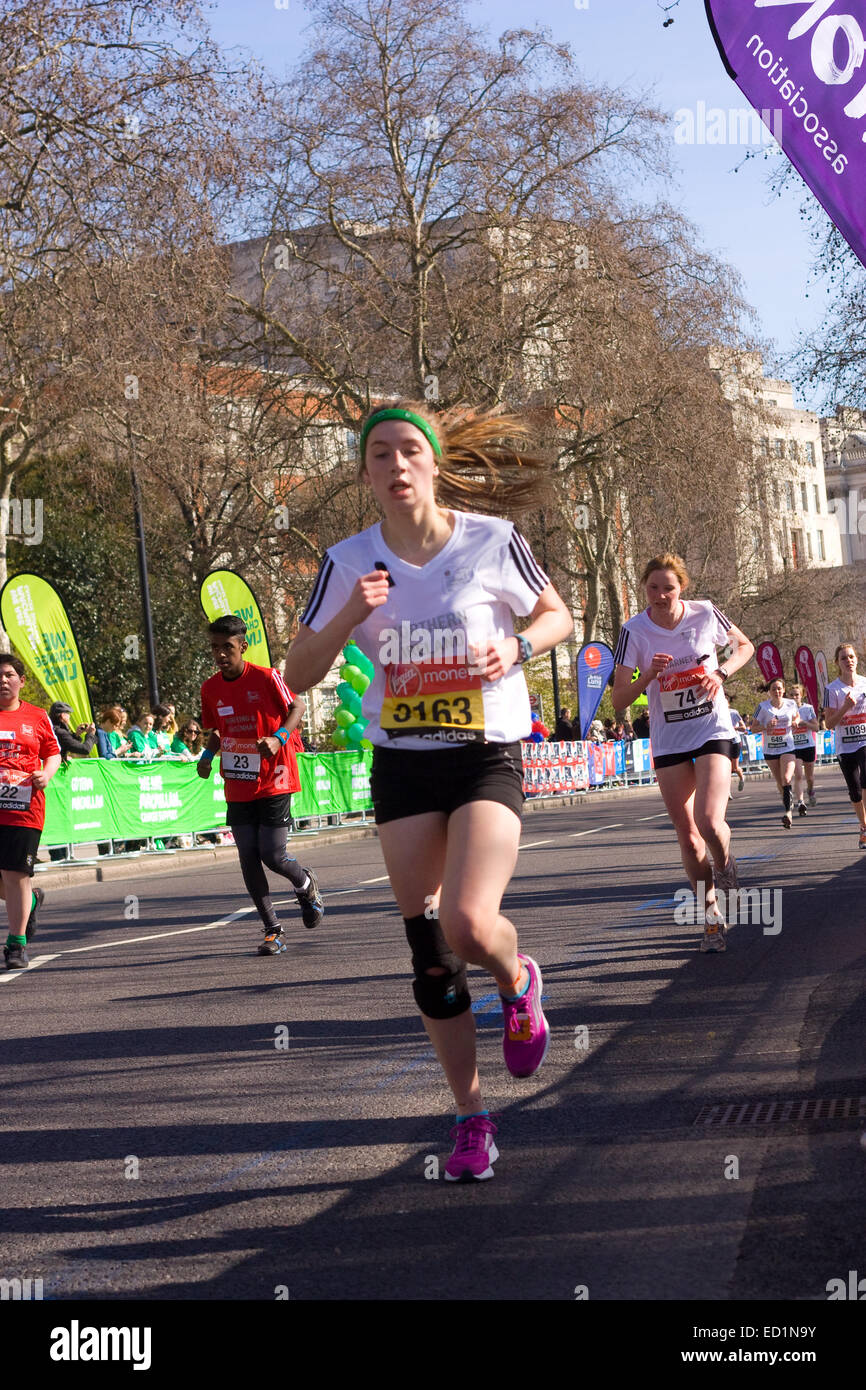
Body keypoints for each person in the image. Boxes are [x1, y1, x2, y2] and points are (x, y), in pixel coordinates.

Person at [284, 400, 573, 1181]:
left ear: (434, 464)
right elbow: (298, 674)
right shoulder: (349, 559)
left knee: (471, 922)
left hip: (484, 752)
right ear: (366, 473)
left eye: (410, 450)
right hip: (404, 763)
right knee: (433, 960)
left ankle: (519, 980)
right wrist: (351, 613)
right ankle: (471, 1117)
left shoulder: (492, 540)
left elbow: (558, 616)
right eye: (380, 454)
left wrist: (515, 646)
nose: (397, 464)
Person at [612, 553, 754, 953]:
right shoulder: (633, 631)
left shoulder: (706, 613)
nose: (660, 595)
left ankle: (725, 866)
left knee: (708, 821)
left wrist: (720, 672)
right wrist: (650, 676)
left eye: (668, 588)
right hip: (670, 737)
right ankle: (710, 916)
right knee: (690, 840)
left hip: (711, 727)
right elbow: (619, 699)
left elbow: (744, 647)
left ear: (682, 588)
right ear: (645, 589)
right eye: (653, 588)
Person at [198, 615, 324, 953]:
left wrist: (279, 736)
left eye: (227, 647)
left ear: (243, 646)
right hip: (239, 781)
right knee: (247, 856)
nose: (221, 654)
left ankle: (305, 882)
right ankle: (273, 930)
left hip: (275, 777)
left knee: (272, 853)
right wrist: (207, 757)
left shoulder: (268, 678)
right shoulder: (209, 688)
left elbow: (297, 705)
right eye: (215, 648)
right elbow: (217, 731)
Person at [0, 655, 61, 968]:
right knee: (8, 881)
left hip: (24, 808)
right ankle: (32, 900)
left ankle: (16, 944)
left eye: (9, 674)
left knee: (15, 874)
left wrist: (46, 775)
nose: (3, 680)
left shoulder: (36, 716)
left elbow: (53, 753)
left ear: (21, 681)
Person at [822, 643, 866, 850]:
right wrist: (846, 707)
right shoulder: (831, 689)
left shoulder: (865, 684)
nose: (848, 661)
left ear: (856, 659)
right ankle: (864, 827)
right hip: (845, 745)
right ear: (837, 663)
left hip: (864, 742)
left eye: (851, 657)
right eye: (843, 658)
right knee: (855, 791)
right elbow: (829, 724)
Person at [751, 679, 799, 828]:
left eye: (779, 688)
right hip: (770, 749)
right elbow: (753, 728)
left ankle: (788, 813)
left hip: (787, 747)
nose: (777, 691)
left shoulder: (791, 703)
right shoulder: (762, 707)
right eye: (773, 689)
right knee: (780, 783)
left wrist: (796, 721)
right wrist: (766, 726)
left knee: (786, 778)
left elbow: (797, 716)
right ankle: (787, 801)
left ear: (783, 690)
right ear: (769, 692)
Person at [789, 681, 819, 814]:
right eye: (792, 695)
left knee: (810, 777)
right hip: (794, 747)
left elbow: (817, 727)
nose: (794, 697)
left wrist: (804, 723)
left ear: (802, 695)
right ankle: (801, 802)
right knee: (798, 775)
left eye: (797, 695)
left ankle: (811, 791)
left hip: (808, 745)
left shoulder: (808, 709)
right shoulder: (785, 710)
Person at [727, 705, 748, 793]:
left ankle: (742, 778)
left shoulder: (733, 712)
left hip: (735, 742)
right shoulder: (715, 712)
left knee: (734, 768)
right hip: (723, 743)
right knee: (725, 768)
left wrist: (733, 728)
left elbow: (743, 728)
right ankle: (727, 792)